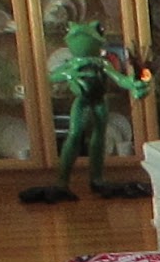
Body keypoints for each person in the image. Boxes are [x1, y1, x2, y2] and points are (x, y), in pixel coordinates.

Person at [18, 21, 152, 204]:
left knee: (98, 138)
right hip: (82, 102)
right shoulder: (72, 64)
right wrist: (70, 75)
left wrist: (136, 83)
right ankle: (62, 181)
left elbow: (120, 79)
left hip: (99, 102)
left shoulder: (102, 64)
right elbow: (51, 76)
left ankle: (97, 179)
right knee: (74, 135)